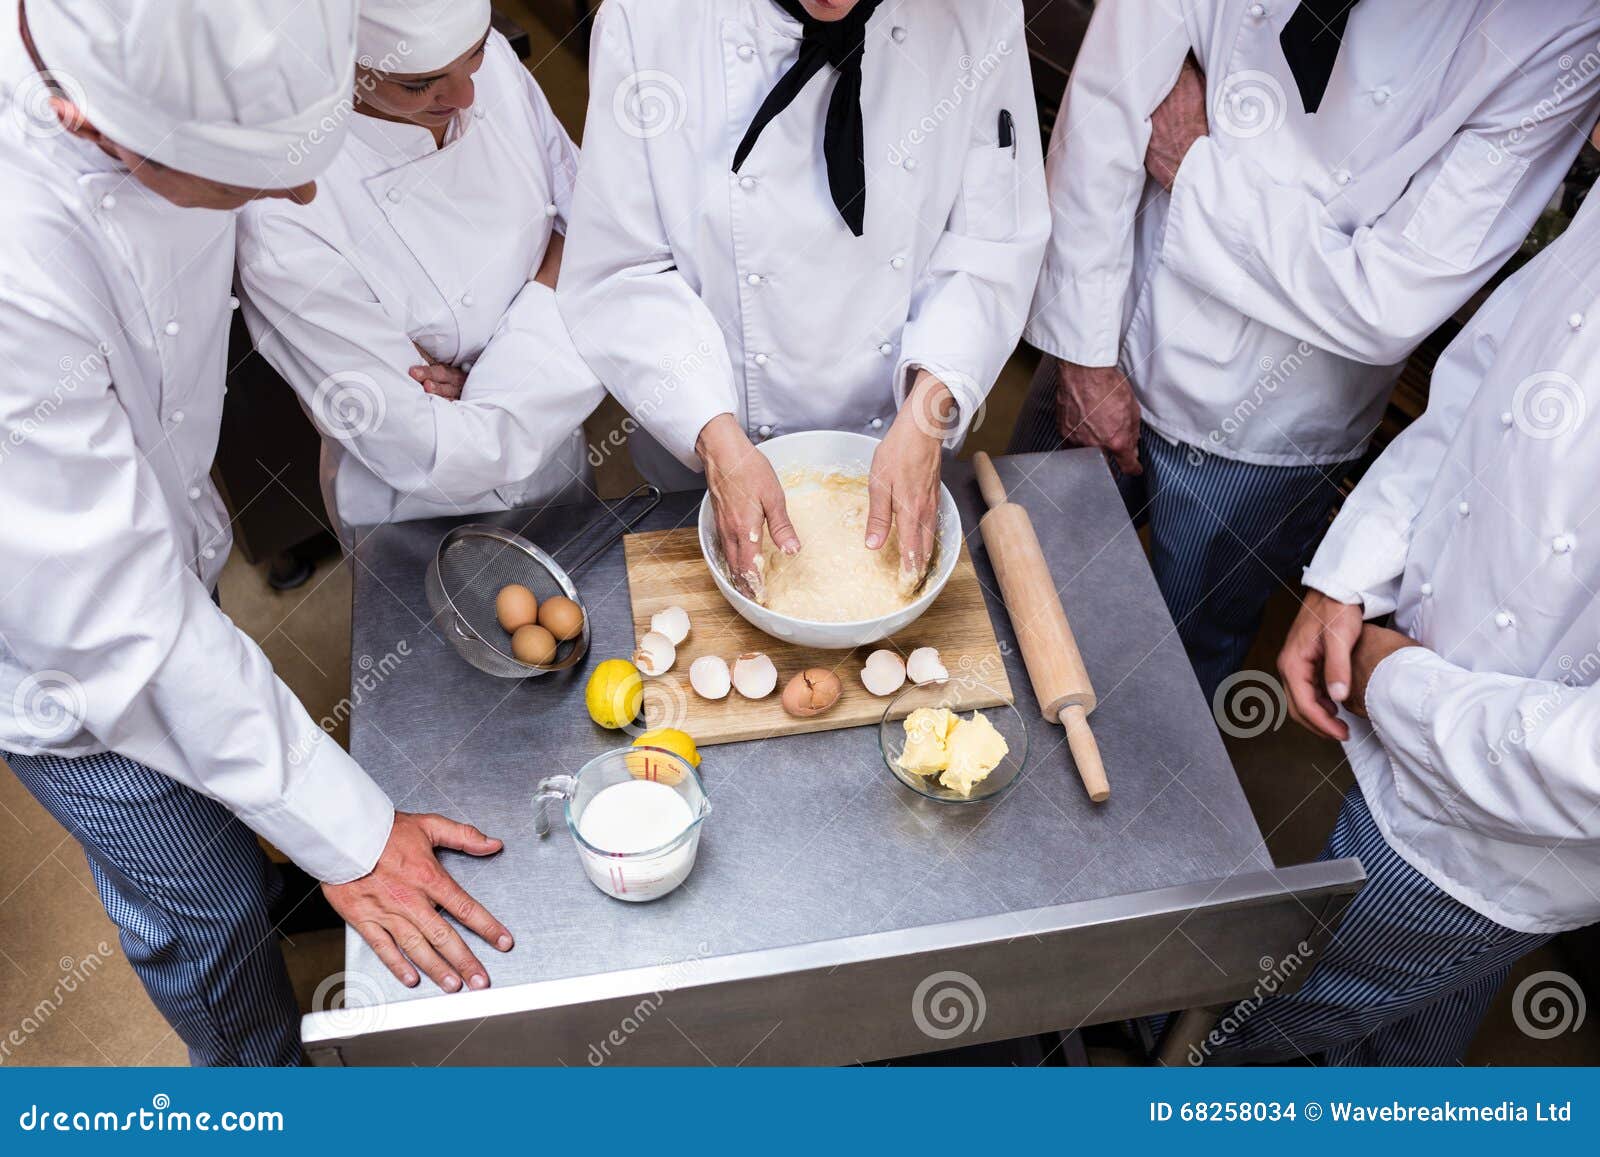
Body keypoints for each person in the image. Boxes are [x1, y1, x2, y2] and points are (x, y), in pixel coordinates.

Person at [0, 0, 514, 1068]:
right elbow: (117, 620)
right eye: (245, 181)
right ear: (95, 129)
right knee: (207, 909)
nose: (294, 193)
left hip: (165, 532)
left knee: (242, 808)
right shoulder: (18, 264)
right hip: (63, 658)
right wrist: (357, 838)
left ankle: (271, 865)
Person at [1015, 0, 1600, 702]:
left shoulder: (1556, 26)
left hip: (1276, 426)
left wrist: (1194, 169)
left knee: (1168, 684)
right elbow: (1113, 99)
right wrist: (1082, 353)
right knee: (1005, 579)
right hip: (1110, 311)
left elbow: (1389, 298)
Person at [1200, 139, 1600, 1065]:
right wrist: (1350, 576)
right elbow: (1473, 393)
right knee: (1405, 1042)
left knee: (1254, 1039)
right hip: (1406, 719)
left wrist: (1394, 680)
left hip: (1490, 840)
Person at [559, 0, 1049, 589]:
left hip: (894, 442)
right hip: (706, 447)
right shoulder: (648, 19)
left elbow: (990, 249)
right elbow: (623, 271)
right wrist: (717, 441)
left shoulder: (975, 13)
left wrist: (927, 413)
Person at [237, 0, 605, 547]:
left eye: (475, 52)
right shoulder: (285, 210)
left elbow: (600, 233)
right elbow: (436, 450)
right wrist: (558, 286)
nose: (465, 97)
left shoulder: (493, 64)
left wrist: (483, 382)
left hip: (559, 457)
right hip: (420, 516)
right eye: (420, 83)